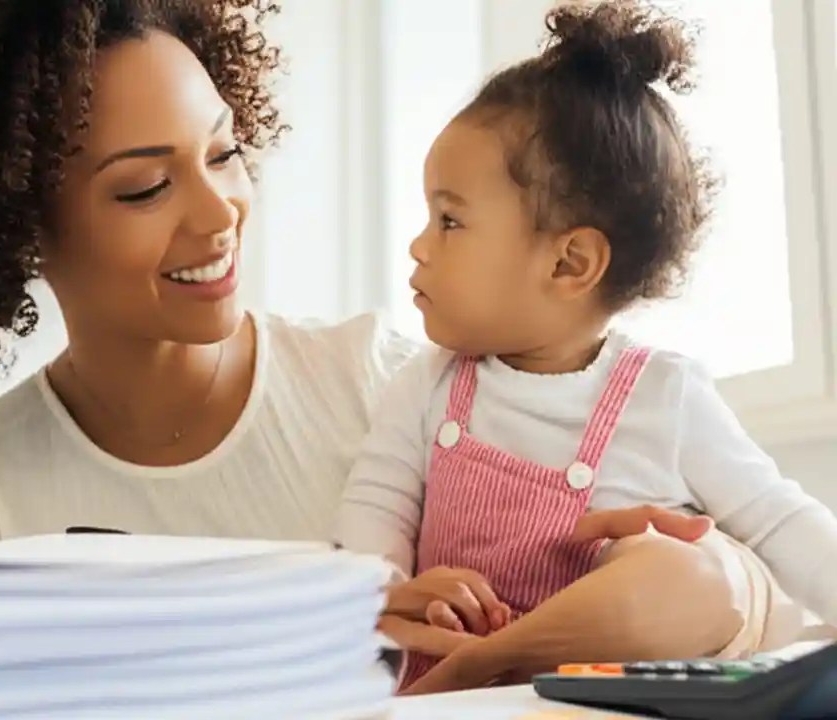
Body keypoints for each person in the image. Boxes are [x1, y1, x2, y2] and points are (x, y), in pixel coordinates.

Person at [0, 0, 751, 695]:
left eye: (224, 151)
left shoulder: (392, 378)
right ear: (13, 223)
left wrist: (720, 588)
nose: (222, 212)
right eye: (142, 188)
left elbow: (735, 604)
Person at [336, 0, 835, 694]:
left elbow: (780, 520)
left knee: (673, 566)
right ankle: (469, 667)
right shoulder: (428, 388)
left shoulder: (666, 396)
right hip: (438, 694)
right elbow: (371, 513)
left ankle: (497, 656)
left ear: (570, 264)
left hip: (589, 696)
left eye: (450, 220)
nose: (419, 246)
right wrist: (394, 589)